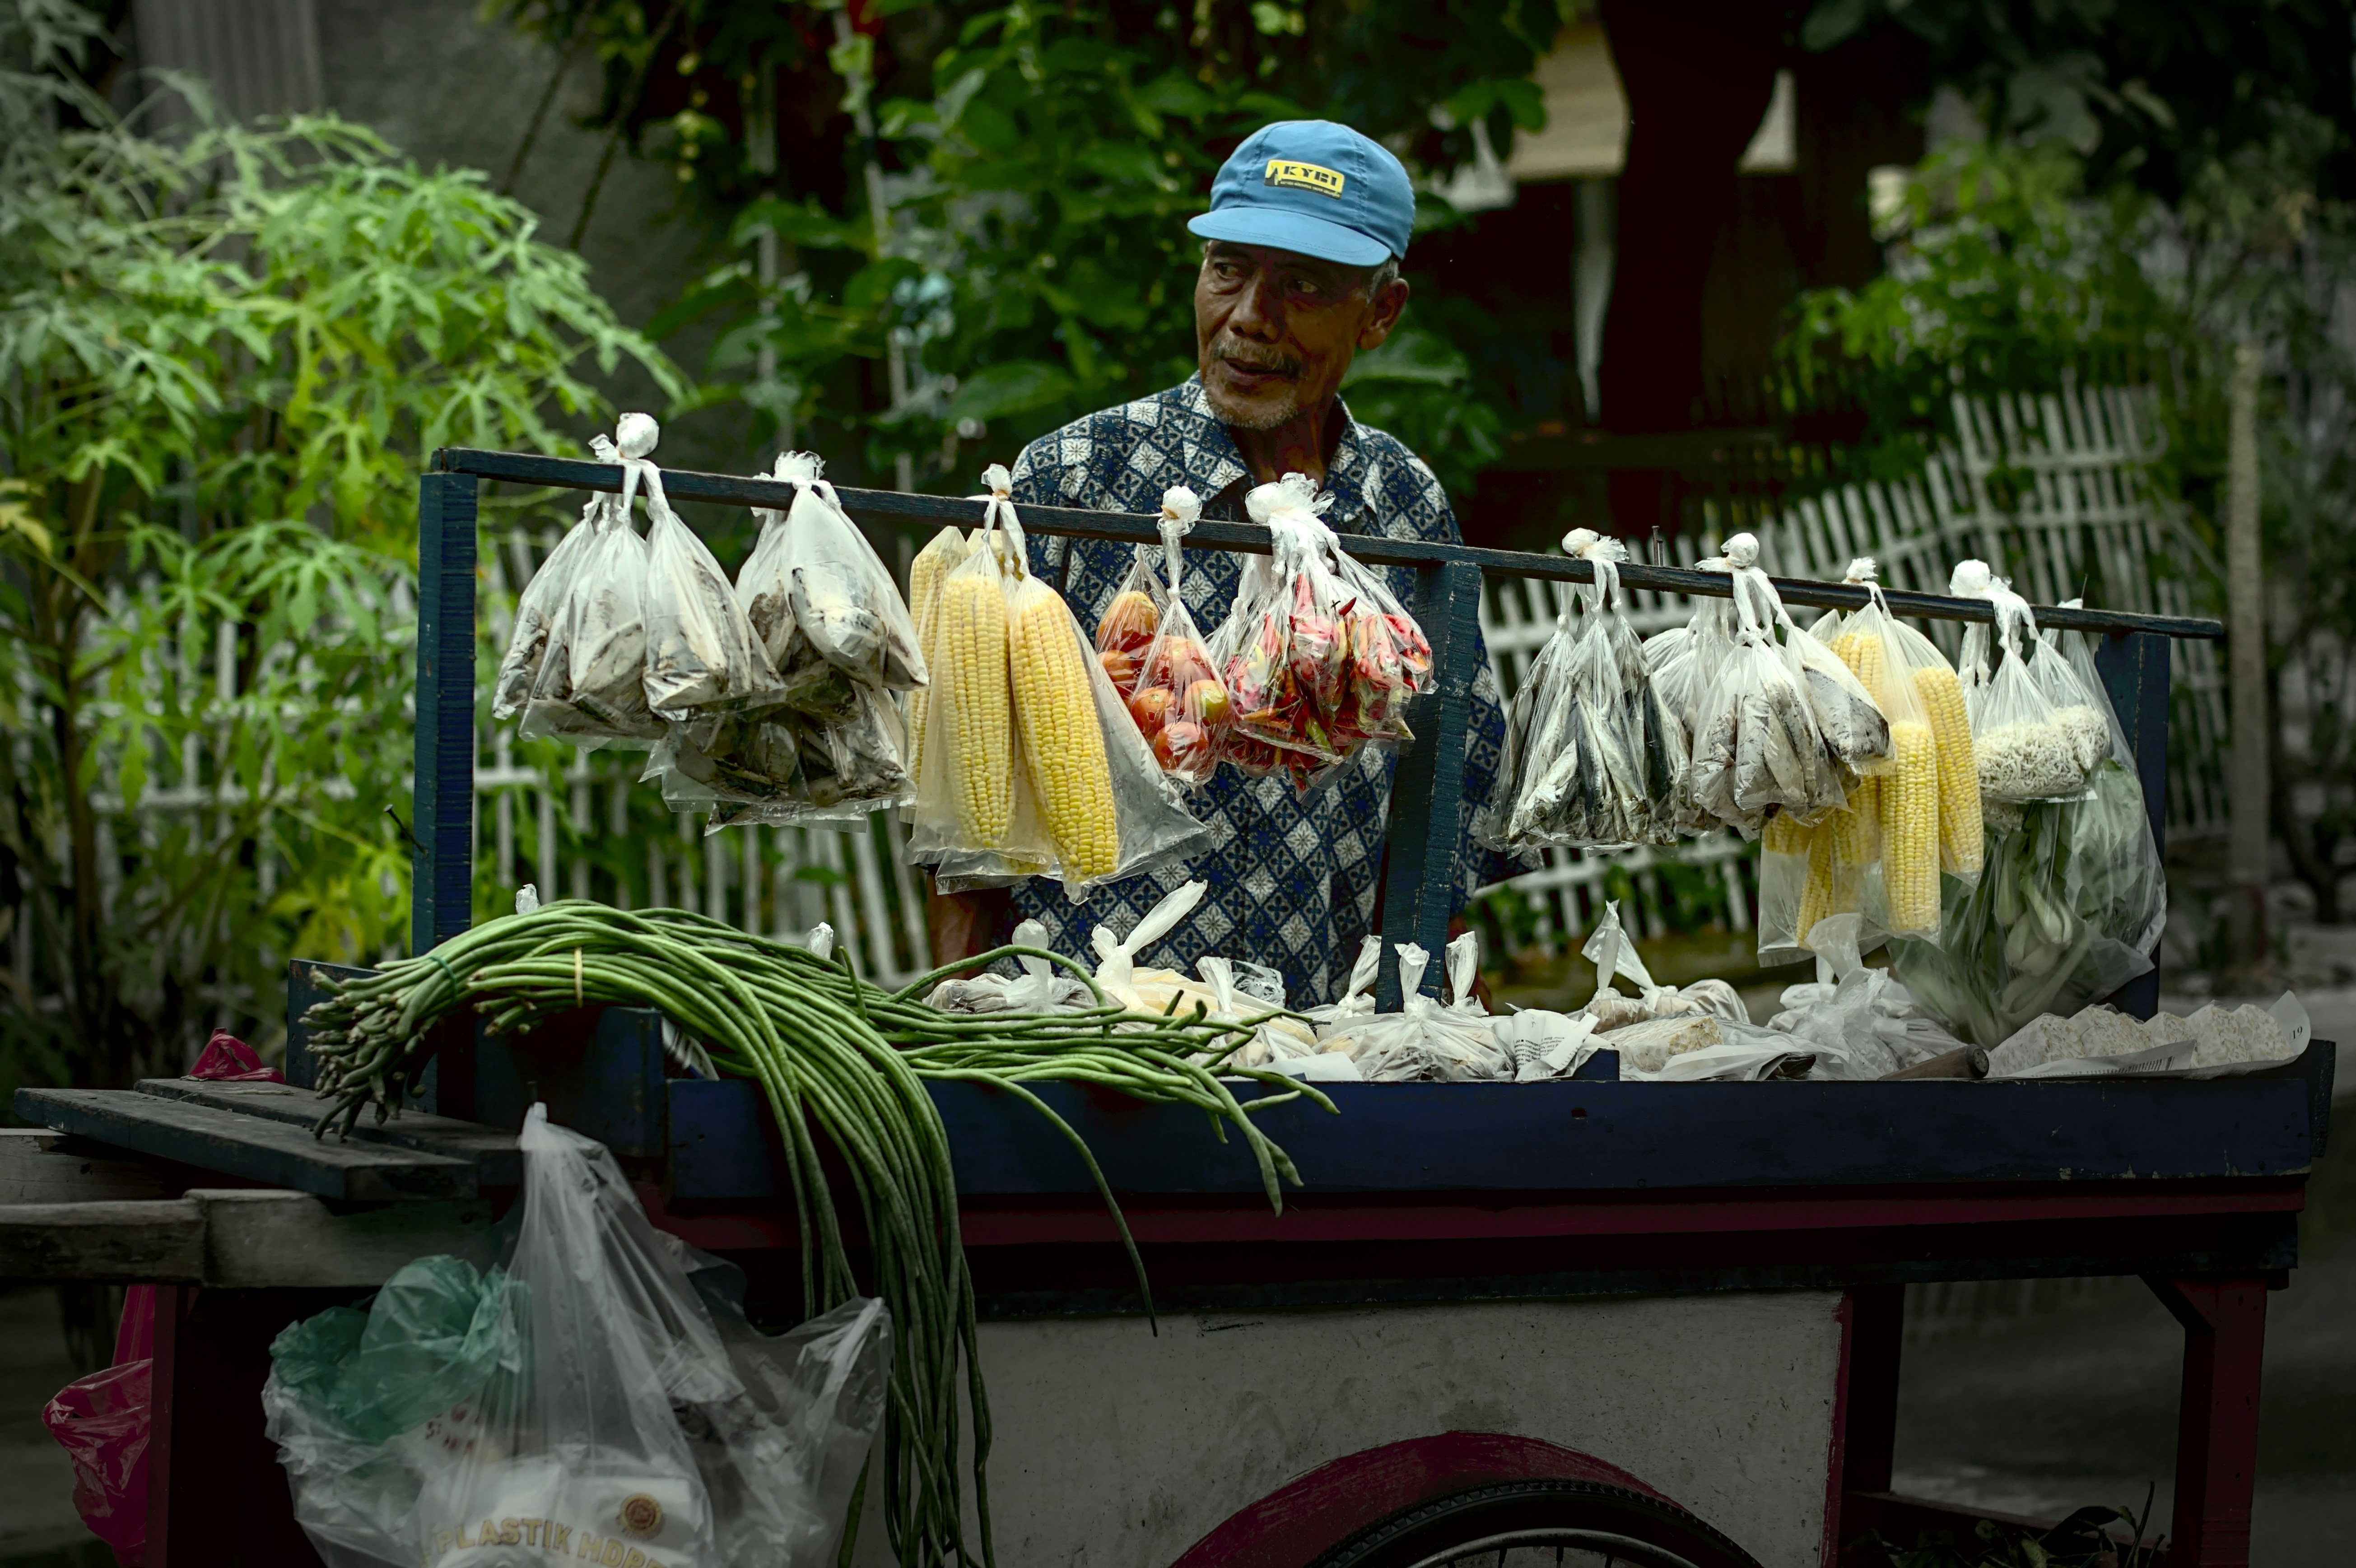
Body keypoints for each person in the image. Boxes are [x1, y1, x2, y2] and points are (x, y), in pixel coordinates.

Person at [927, 120, 1506, 1006]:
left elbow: (1450, 800)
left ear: (1379, 315)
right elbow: (966, 812)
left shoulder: (1404, 506)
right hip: (1084, 1031)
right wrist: (954, 1017)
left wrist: (1437, 1019)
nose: (1245, 319)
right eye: (1226, 270)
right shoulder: (1076, 480)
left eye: (1302, 286)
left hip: (1318, 1034)